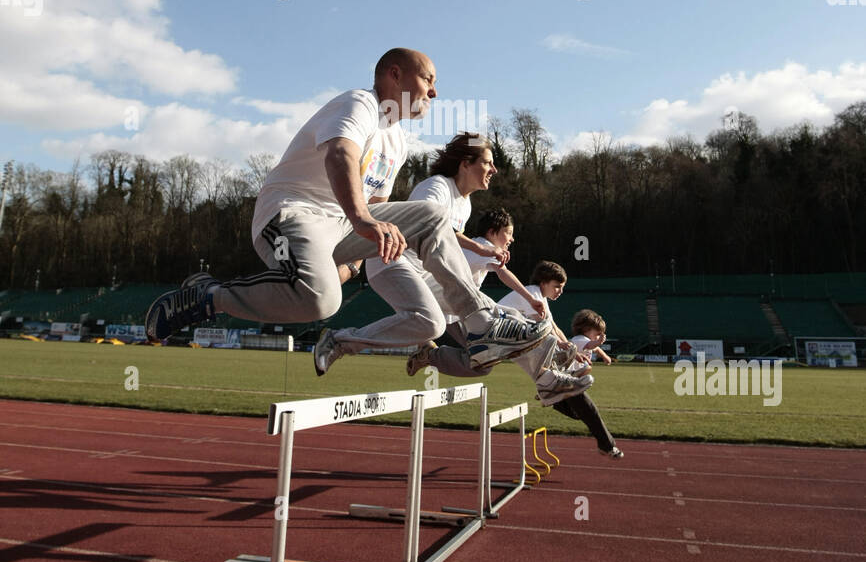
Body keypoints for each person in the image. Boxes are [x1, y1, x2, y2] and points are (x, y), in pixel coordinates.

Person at [145, 48, 550, 373]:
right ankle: (210, 296)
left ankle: (481, 326)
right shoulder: (360, 104)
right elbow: (341, 154)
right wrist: (361, 219)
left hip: (343, 228)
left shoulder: (398, 142)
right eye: (428, 80)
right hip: (292, 214)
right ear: (394, 75)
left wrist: (354, 261)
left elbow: (377, 207)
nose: (434, 93)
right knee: (321, 302)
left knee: (431, 216)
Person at [347, 136, 551, 379]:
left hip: (426, 273)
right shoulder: (437, 186)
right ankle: (342, 341)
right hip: (394, 261)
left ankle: (542, 356)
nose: (494, 170)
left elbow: (450, 237)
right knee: (431, 323)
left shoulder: (465, 204)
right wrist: (479, 248)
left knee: (482, 333)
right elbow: (427, 223)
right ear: (465, 164)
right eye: (488, 162)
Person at [499, 279, 623, 460]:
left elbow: (555, 329)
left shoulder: (540, 301)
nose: (560, 291)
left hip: (561, 372)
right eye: (557, 286)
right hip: (559, 373)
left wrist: (595, 354)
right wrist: (596, 343)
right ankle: (606, 444)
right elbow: (554, 331)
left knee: (580, 413)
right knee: (586, 408)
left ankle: (550, 395)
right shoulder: (533, 297)